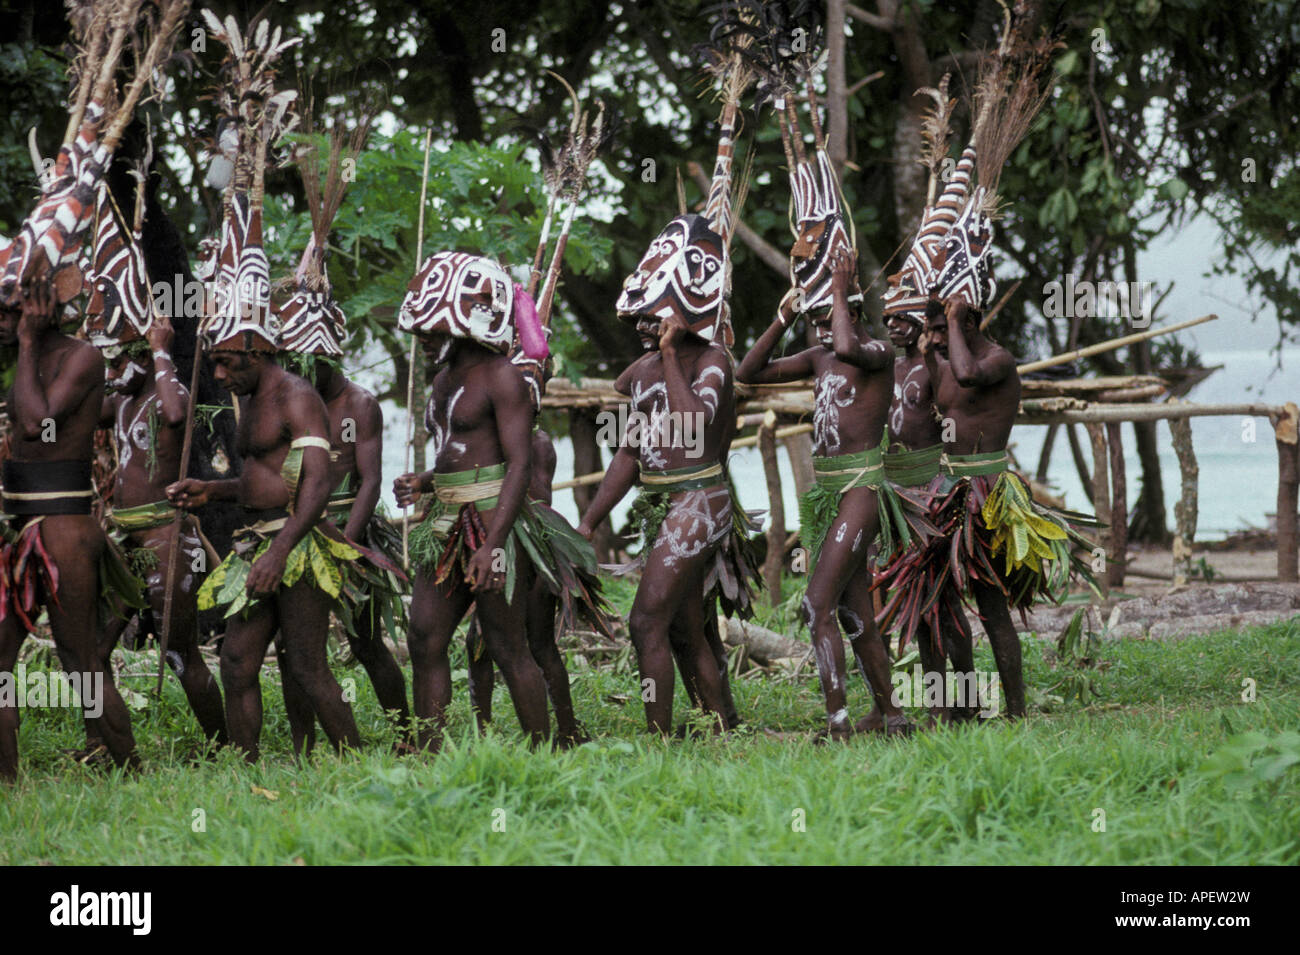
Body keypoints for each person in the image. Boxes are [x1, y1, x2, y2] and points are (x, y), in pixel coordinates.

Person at [576, 87, 759, 734]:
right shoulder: (654, 367)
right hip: (669, 499)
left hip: (700, 503)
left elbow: (699, 423)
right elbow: (632, 448)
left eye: (659, 317)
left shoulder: (710, 365)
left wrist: (678, 347)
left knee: (645, 619)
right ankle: (724, 724)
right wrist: (591, 519)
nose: (648, 327)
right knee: (682, 628)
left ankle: (659, 736)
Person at [397, 252, 604, 750]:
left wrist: (494, 544)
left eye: (430, 331)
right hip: (445, 526)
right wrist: (425, 482)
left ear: (463, 324)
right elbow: (461, 454)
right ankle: (427, 750)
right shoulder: (443, 380)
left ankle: (539, 753)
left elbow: (517, 464)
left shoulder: (501, 377)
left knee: (509, 646)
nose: (422, 342)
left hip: (493, 526)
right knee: (424, 636)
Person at [86, 178, 226, 743]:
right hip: (123, 539)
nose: (115, 363)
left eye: (125, 352)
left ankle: (225, 746)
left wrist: (166, 347)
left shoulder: (168, 391)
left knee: (179, 651)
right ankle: (102, 743)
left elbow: (174, 416)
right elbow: (74, 413)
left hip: (166, 539)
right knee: (93, 652)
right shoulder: (119, 399)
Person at [1, 278, 142, 781]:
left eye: (8, 313)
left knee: (81, 663)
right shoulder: (27, 361)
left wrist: (25, 341)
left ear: (41, 311)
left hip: (62, 530)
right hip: (21, 532)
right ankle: (8, 783)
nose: (1, 322)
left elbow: (39, 424)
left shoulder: (81, 357)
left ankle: (134, 772)